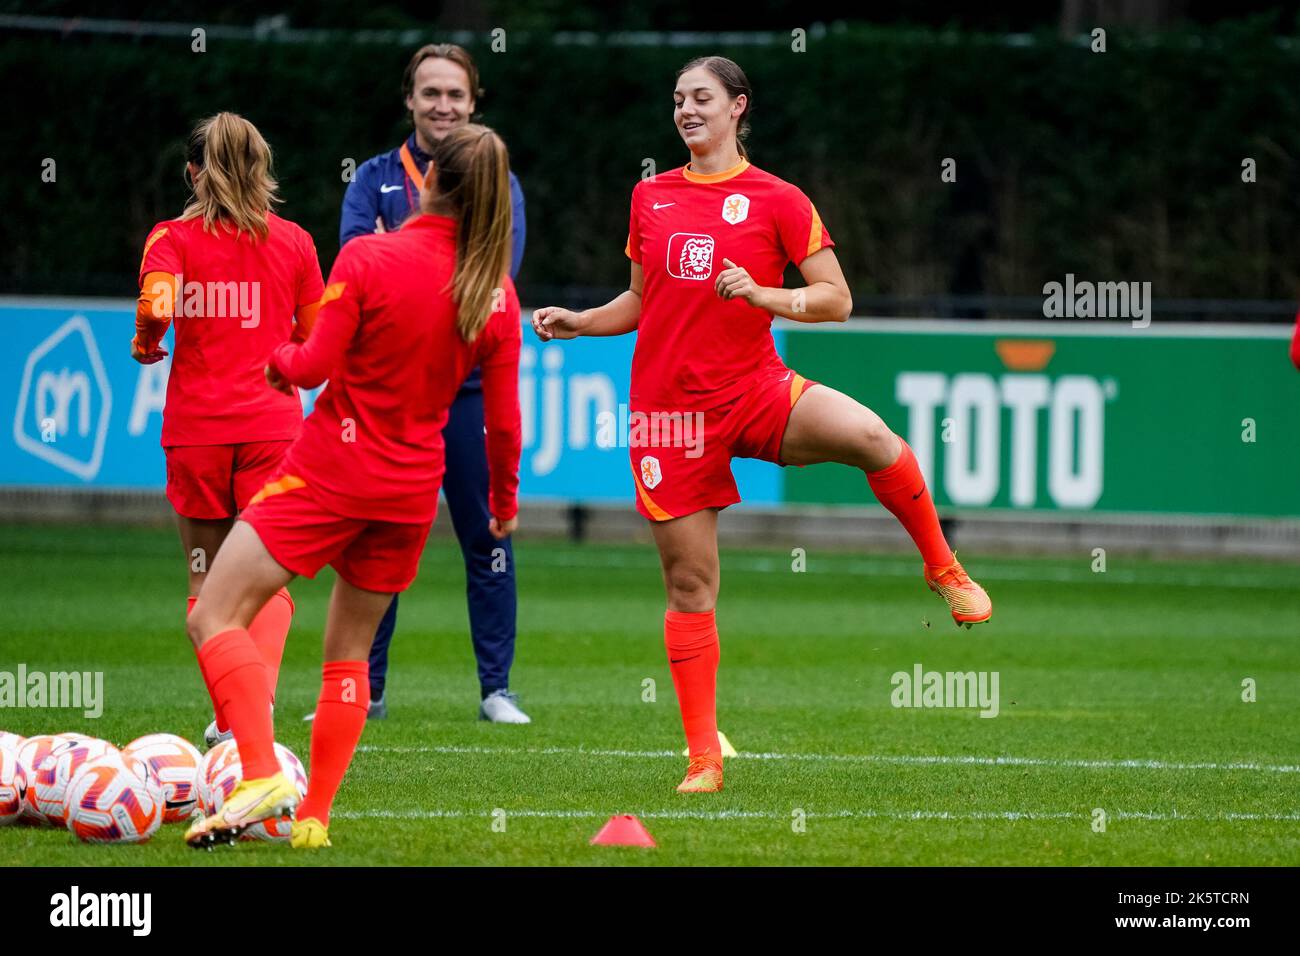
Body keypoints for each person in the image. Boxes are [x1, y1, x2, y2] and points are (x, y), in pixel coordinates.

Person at [532, 56, 993, 795]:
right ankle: (703, 760)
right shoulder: (649, 195)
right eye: (678, 99)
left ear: (738, 106)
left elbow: (836, 301)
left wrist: (762, 295)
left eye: (702, 98)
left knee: (875, 437)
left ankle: (943, 566)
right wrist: (582, 323)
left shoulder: (777, 199)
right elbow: (640, 301)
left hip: (755, 391)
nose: (686, 110)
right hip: (668, 419)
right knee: (691, 585)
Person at [184, 124, 522, 849]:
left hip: (330, 473)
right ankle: (313, 822)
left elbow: (312, 366)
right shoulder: (494, 290)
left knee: (213, 614)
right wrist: (504, 503)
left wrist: (277, 360)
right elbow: (503, 423)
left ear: (430, 181)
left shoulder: (369, 254)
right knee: (349, 653)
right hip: (408, 494)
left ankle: (258, 770)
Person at [329, 42, 529, 724]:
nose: (442, 104)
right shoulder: (373, 177)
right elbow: (352, 263)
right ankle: (367, 687)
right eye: (430, 92)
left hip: (467, 392)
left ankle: (496, 690)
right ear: (409, 99)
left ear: (473, 102)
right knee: (373, 537)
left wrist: (401, 255)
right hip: (391, 394)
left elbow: (494, 273)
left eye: (455, 94)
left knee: (488, 539)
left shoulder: (496, 178)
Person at [132, 112, 324, 750]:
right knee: (266, 576)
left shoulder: (171, 239)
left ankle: (232, 716)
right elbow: (315, 337)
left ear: (193, 173)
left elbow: (157, 305)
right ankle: (257, 705)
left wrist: (146, 342)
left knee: (205, 580)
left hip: (198, 434)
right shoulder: (295, 242)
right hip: (272, 428)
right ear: (262, 170)